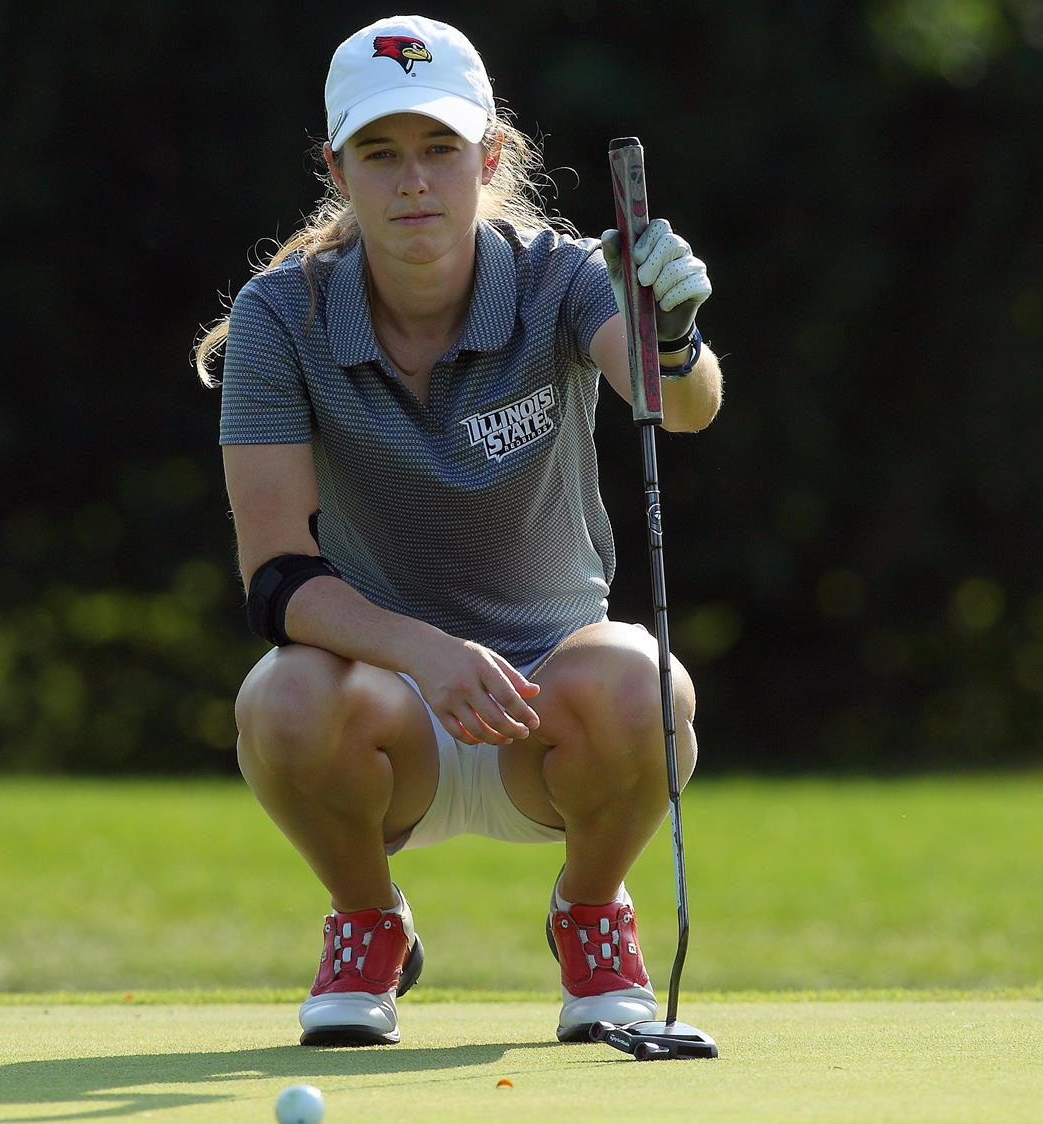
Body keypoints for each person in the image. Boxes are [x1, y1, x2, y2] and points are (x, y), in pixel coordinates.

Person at [194, 14, 722, 1047]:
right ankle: (368, 921)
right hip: (384, 710)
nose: (414, 183)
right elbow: (276, 579)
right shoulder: (279, 316)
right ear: (338, 169)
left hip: (551, 707)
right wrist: (427, 654)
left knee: (646, 684)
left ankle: (589, 914)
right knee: (279, 698)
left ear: (490, 157)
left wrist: (674, 331)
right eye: (380, 154)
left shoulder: (561, 276)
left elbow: (684, 408)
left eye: (440, 148)